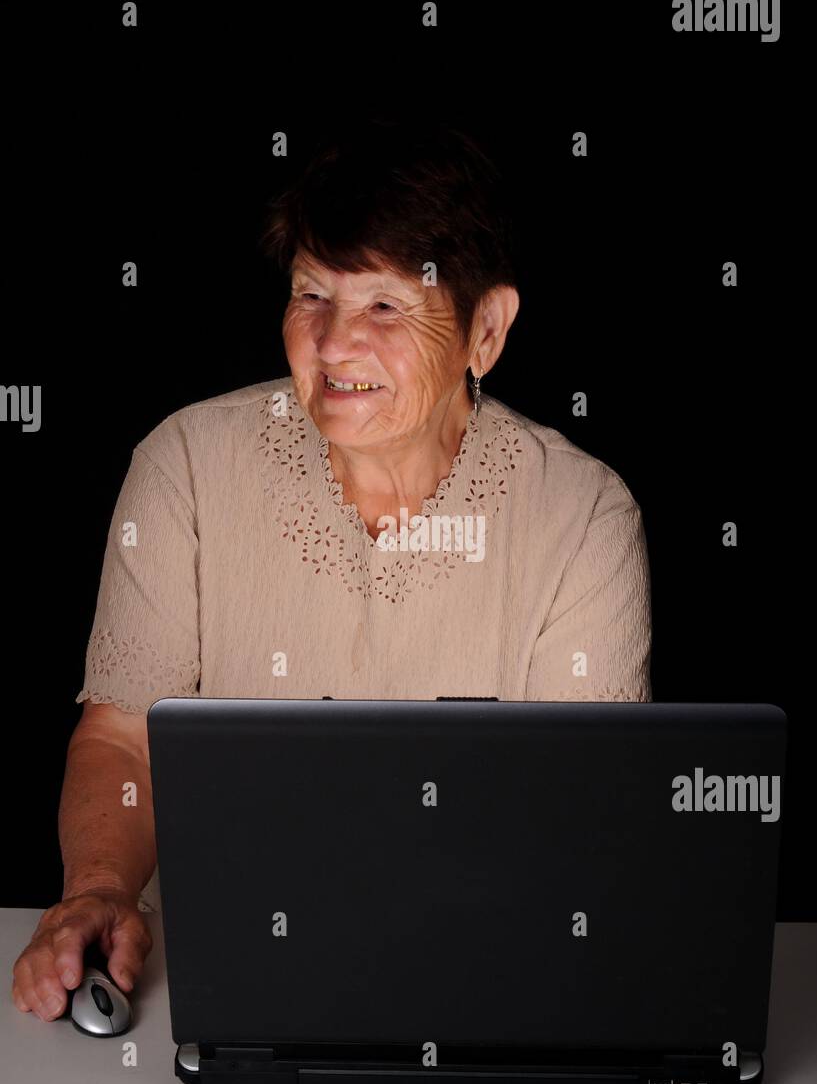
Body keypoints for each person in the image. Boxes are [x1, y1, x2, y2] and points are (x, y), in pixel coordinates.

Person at [11, 118, 652, 1022]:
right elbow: (122, 740)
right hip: (217, 972)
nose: (334, 342)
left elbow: (580, 821)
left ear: (488, 328)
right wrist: (104, 888)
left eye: (385, 306)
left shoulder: (581, 515)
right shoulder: (186, 464)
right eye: (312, 294)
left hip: (479, 975)